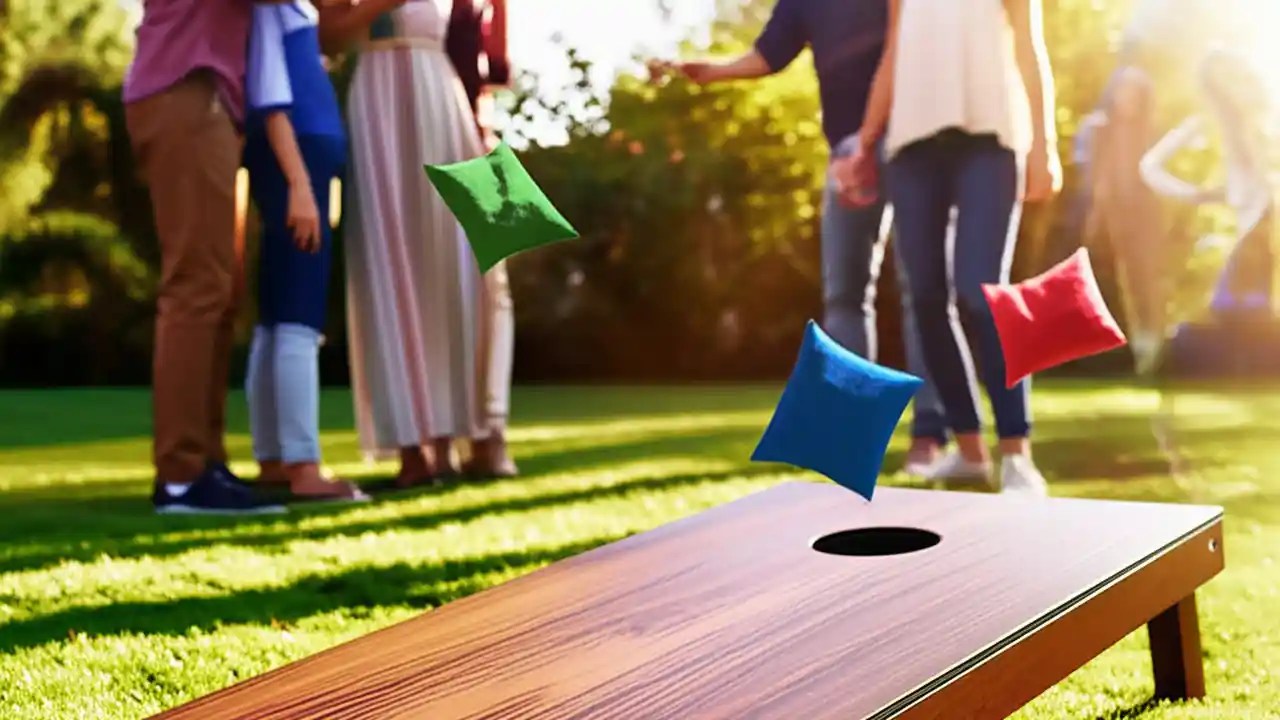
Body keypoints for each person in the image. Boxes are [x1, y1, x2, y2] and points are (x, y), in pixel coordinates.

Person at [670, 0, 949, 475]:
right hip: (845, 152)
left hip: (912, 142)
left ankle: (930, 435)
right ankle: (853, 435)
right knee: (844, 293)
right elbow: (770, 53)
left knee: (921, 289)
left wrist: (870, 137)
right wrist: (714, 72)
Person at [840, 0, 1063, 494]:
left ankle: (1016, 454)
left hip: (990, 140)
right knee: (924, 299)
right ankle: (969, 452)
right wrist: (867, 139)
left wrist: (1045, 145)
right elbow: (895, 53)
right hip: (912, 148)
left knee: (981, 292)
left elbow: (1030, 47)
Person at [318, 0, 504, 486]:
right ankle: (409, 448)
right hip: (380, 100)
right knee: (388, 262)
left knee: (450, 266)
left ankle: (448, 441)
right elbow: (327, 36)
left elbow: (488, 53)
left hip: (442, 102)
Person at [125, 0, 286, 514]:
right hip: (186, 89)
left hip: (208, 96)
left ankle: (205, 463)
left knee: (219, 288)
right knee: (197, 284)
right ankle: (180, 474)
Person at [242, 1, 369, 503]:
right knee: (297, 314)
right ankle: (302, 465)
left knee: (278, 315)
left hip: (305, 164)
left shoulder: (293, 10)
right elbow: (270, 100)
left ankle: (275, 458)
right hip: (298, 165)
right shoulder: (273, 9)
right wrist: (299, 184)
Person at [1141, 49, 1275, 323]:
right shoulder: (1205, 124)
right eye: (1221, 79)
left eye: (1233, 76)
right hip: (1233, 229)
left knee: (1260, 311)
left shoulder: (1264, 120)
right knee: (1231, 308)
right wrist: (1193, 194)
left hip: (1269, 223)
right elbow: (1149, 166)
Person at [445, 0, 519, 478]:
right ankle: (453, 433)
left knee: (495, 296)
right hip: (446, 145)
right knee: (456, 290)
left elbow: (499, 69)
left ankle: (491, 433)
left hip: (482, 148)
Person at [1082, 66, 1168, 374]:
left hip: (1145, 212)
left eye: (1133, 92)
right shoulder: (1102, 130)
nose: (1126, 98)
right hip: (1115, 212)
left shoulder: (1151, 132)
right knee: (1125, 280)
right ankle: (1137, 348)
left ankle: (1155, 343)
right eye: (1122, 91)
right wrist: (1097, 214)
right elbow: (1098, 177)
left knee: (1148, 277)